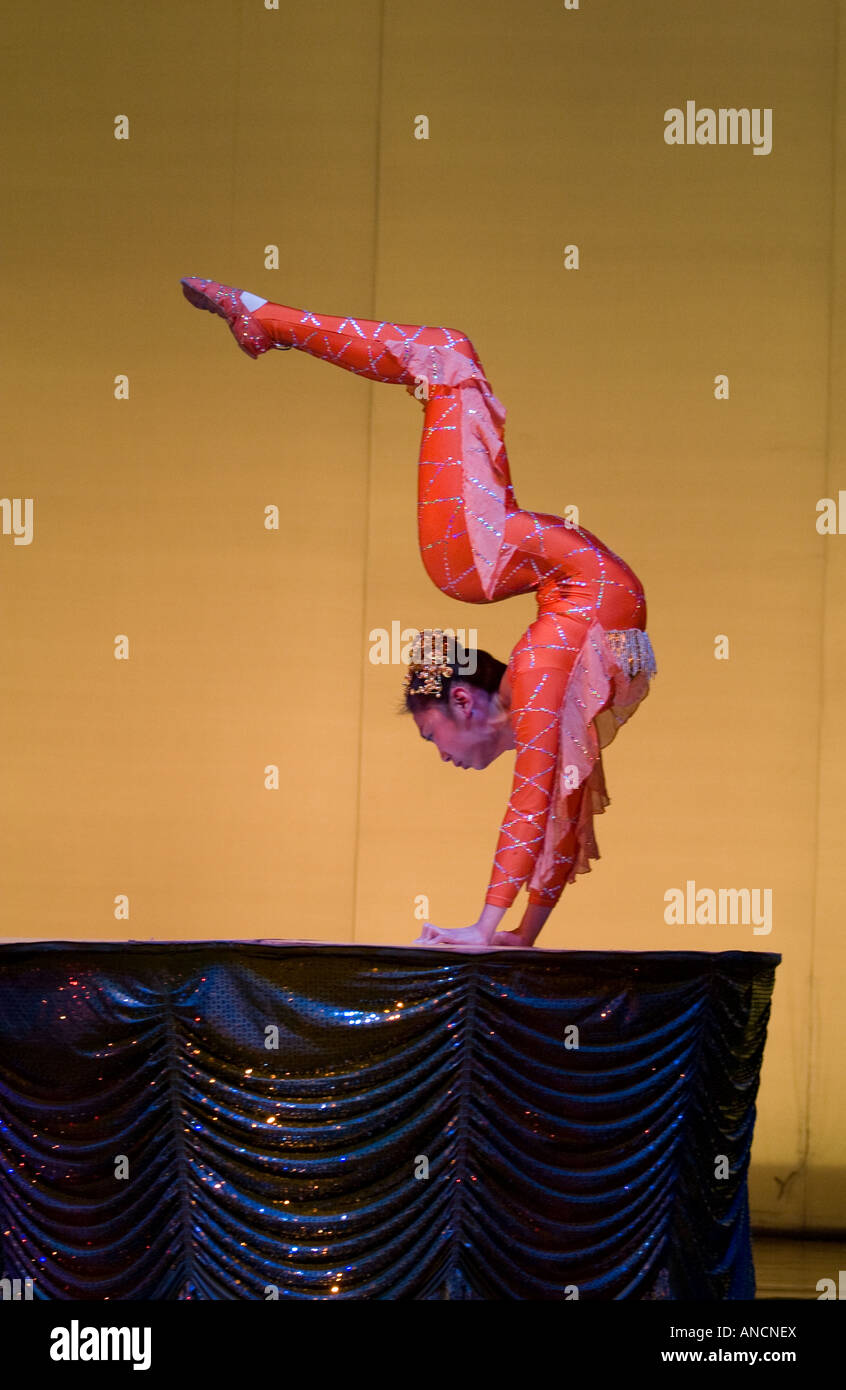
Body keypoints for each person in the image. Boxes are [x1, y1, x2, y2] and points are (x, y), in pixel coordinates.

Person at [180, 277, 657, 948]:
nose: (442, 757)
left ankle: (268, 321)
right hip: (495, 560)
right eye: (434, 739)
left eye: (431, 739)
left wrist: (495, 928)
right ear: (464, 700)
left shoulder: (546, 665)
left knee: (448, 357)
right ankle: (266, 320)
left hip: (508, 563)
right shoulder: (543, 669)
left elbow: (546, 800)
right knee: (447, 355)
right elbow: (553, 803)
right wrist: (513, 934)